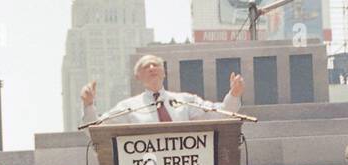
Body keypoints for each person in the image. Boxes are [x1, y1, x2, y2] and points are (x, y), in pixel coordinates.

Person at [80, 54, 244, 125]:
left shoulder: (186, 100)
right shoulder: (127, 107)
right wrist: (89, 106)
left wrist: (234, 95)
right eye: (146, 66)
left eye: (156, 65)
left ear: (164, 72)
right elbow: (96, 128)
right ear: (138, 76)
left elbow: (220, 113)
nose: (152, 68)